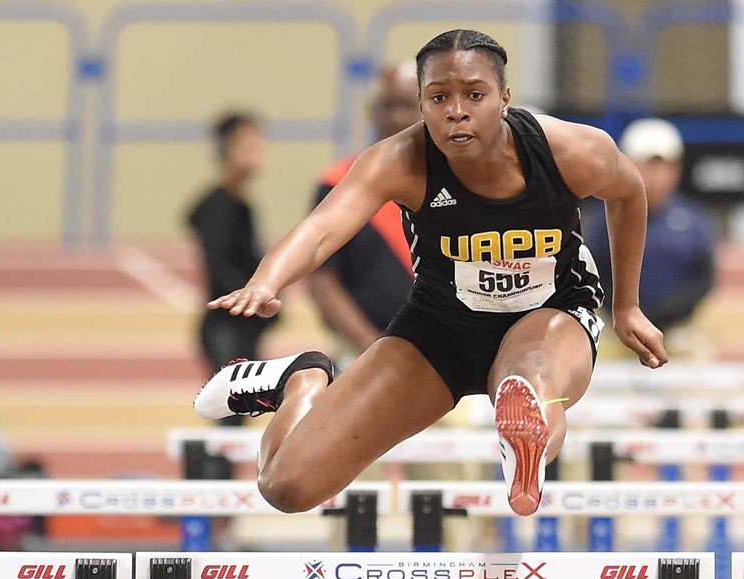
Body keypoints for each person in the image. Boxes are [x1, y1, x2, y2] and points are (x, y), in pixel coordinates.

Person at [194, 29, 667, 517]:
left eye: (474, 95)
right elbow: (320, 230)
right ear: (422, 104)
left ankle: (525, 440)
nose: (456, 111)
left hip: (552, 312)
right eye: (438, 97)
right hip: (439, 331)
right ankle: (304, 381)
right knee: (286, 487)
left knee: (531, 378)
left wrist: (627, 305)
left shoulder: (569, 151)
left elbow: (629, 192)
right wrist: (266, 281)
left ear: (504, 98)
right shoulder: (400, 161)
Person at [306, 62, 421, 354]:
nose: (396, 117)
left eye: (408, 106)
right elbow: (322, 279)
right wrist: (371, 347)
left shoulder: (454, 184)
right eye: (387, 106)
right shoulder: (338, 184)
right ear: (373, 111)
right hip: (364, 354)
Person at [588, 118, 716, 347]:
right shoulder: (602, 220)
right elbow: (594, 273)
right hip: (614, 328)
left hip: (677, 331)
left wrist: (663, 316)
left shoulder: (693, 220)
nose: (657, 175)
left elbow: (703, 278)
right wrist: (625, 312)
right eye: (648, 165)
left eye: (666, 166)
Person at [187, 112, 277, 426]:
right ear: (226, 150)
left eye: (259, 144)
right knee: (230, 419)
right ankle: (211, 476)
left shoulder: (241, 205)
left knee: (236, 417)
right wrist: (255, 300)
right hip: (224, 327)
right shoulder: (218, 206)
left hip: (241, 325)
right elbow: (221, 271)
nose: (258, 152)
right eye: (248, 145)